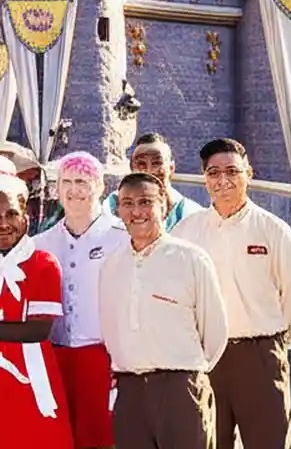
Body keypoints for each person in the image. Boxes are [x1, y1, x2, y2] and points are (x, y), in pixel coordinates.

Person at [172, 138, 291, 448]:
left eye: (232, 171)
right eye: (213, 172)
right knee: (206, 441)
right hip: (205, 358)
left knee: (269, 442)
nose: (222, 180)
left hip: (260, 357)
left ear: (248, 173)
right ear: (204, 177)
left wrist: (275, 343)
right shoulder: (186, 231)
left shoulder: (272, 230)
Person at [100, 173, 228, 449]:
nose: (136, 211)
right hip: (130, 392)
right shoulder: (111, 265)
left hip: (180, 389)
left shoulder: (191, 259)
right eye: (127, 203)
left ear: (164, 206)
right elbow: (111, 329)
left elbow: (214, 331)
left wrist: (186, 377)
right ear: (118, 209)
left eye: (146, 202)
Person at [0, 152, 73, 449]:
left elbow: (38, 331)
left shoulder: (43, 262)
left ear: (25, 212)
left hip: (29, 377)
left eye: (10, 213)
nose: (3, 223)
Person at [34, 151, 128, 449]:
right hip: (56, 356)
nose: (74, 190)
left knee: (100, 438)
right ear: (57, 188)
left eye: (82, 182)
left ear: (99, 186)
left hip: (102, 357)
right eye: (67, 182)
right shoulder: (42, 243)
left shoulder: (121, 237)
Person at [103, 132, 205, 231]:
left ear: (171, 168)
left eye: (157, 163)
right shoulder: (111, 208)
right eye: (141, 164)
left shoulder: (192, 215)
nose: (149, 171)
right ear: (132, 169)